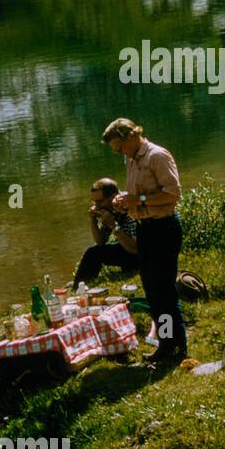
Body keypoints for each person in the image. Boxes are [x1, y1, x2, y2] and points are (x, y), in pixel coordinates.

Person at [102, 118, 187, 368]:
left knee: (165, 290)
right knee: (152, 289)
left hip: (164, 228)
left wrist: (136, 200)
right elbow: (138, 196)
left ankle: (178, 345)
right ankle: (166, 342)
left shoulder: (156, 156)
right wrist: (123, 201)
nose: (119, 153)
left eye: (119, 147)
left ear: (130, 136)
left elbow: (173, 194)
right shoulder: (132, 158)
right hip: (146, 229)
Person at [73, 177, 139, 287]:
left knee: (94, 253)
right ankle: (80, 284)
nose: (96, 206)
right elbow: (100, 241)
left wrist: (113, 224)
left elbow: (134, 248)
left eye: (99, 201)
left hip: (146, 252)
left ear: (113, 197)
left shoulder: (129, 205)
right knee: (94, 252)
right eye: (94, 201)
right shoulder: (110, 208)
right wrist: (93, 219)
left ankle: (80, 284)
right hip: (129, 247)